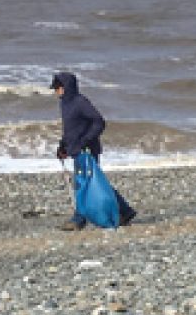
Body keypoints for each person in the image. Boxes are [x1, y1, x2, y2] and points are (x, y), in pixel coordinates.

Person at [49, 71, 136, 230]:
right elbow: (70, 130)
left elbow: (99, 122)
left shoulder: (80, 102)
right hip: (77, 150)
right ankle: (125, 210)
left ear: (66, 87)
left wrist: (85, 141)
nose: (56, 91)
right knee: (94, 182)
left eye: (58, 88)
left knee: (83, 184)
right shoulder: (65, 104)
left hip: (87, 150)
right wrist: (63, 146)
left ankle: (78, 220)